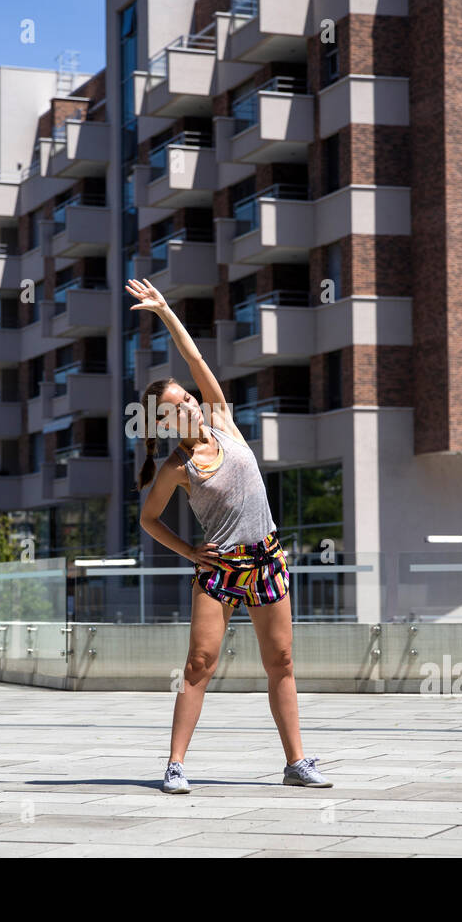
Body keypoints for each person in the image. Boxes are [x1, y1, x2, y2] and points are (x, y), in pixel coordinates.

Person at [125, 278, 332, 794]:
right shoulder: (177, 465)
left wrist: (166, 311)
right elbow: (149, 520)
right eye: (179, 405)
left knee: (281, 660)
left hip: (267, 559)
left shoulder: (223, 424)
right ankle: (174, 765)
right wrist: (190, 551)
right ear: (166, 420)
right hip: (219, 570)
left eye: (189, 399)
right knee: (199, 664)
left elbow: (195, 360)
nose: (191, 404)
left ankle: (296, 763)